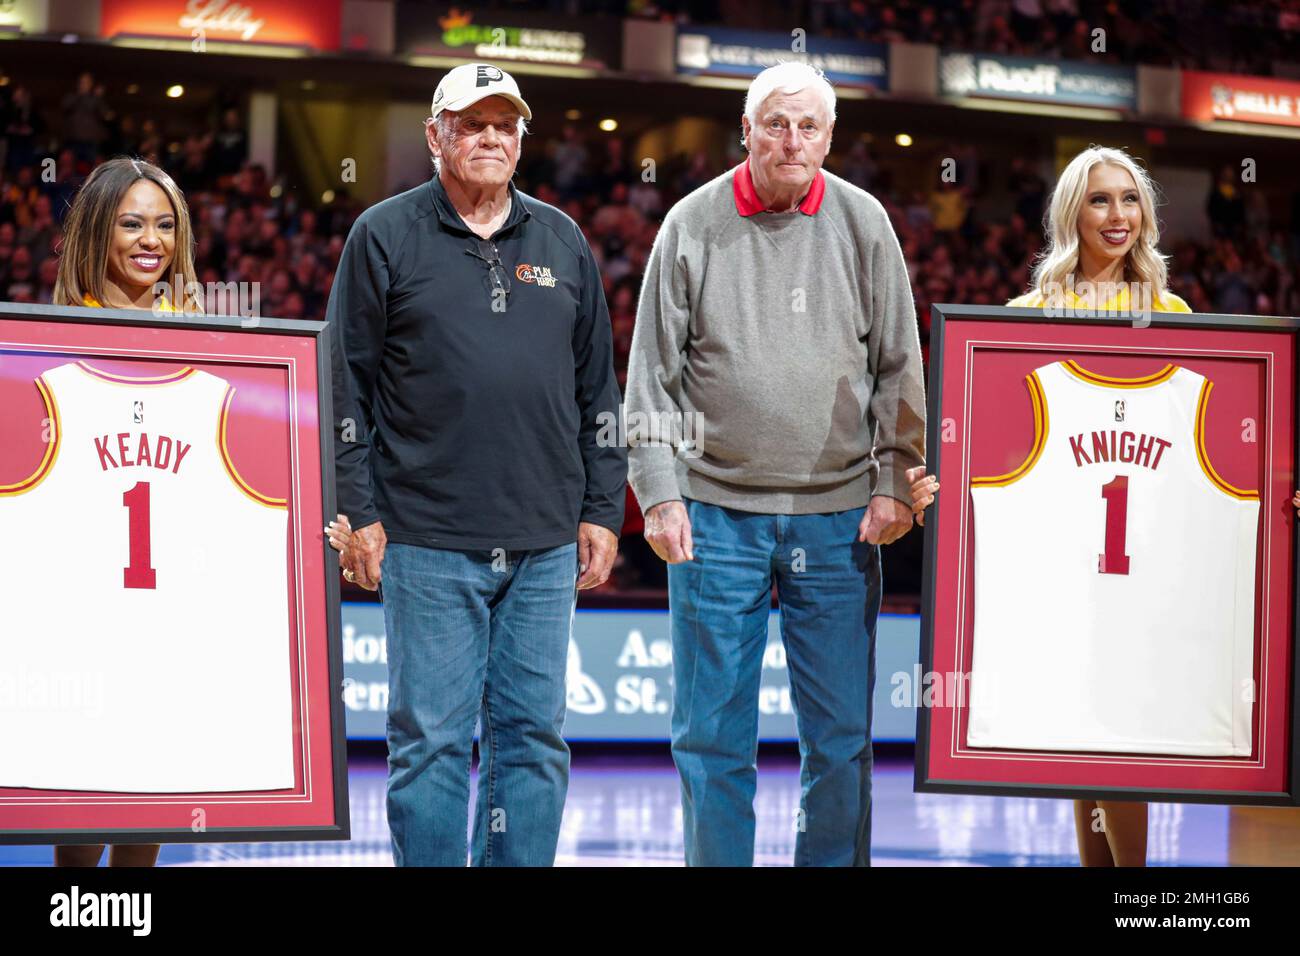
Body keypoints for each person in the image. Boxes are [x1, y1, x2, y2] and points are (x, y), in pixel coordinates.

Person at [624, 62, 926, 867]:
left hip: (838, 515)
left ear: (830, 137)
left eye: (808, 127)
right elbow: (652, 373)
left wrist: (896, 477)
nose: (791, 140)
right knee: (710, 737)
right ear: (746, 130)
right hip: (713, 511)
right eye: (776, 124)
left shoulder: (865, 223)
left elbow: (900, 364)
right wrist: (658, 493)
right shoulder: (691, 223)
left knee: (840, 740)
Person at [327, 63, 625, 867]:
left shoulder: (562, 239)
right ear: (435, 136)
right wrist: (357, 510)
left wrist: (601, 507)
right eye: (472, 123)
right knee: (430, 744)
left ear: (523, 140)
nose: (491, 136)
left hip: (544, 539)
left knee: (534, 740)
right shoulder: (383, 234)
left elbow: (597, 385)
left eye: (506, 124)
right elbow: (343, 384)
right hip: (424, 536)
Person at [908, 146, 1193, 867]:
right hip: (1058, 556)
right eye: (1099, 200)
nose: (1118, 215)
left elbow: (1199, 437)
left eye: (1130, 200)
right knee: (1082, 734)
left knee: (1122, 733)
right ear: (1072, 212)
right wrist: (937, 480)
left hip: (1143, 550)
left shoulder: (1174, 312)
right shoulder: (1023, 317)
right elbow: (984, 440)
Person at [49, 156, 202, 866]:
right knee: (80, 794)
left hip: (173, 595)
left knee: (155, 785)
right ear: (96, 233)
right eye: (132, 223)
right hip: (80, 598)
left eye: (165, 225)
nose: (152, 240)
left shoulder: (210, 338)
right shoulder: (44, 339)